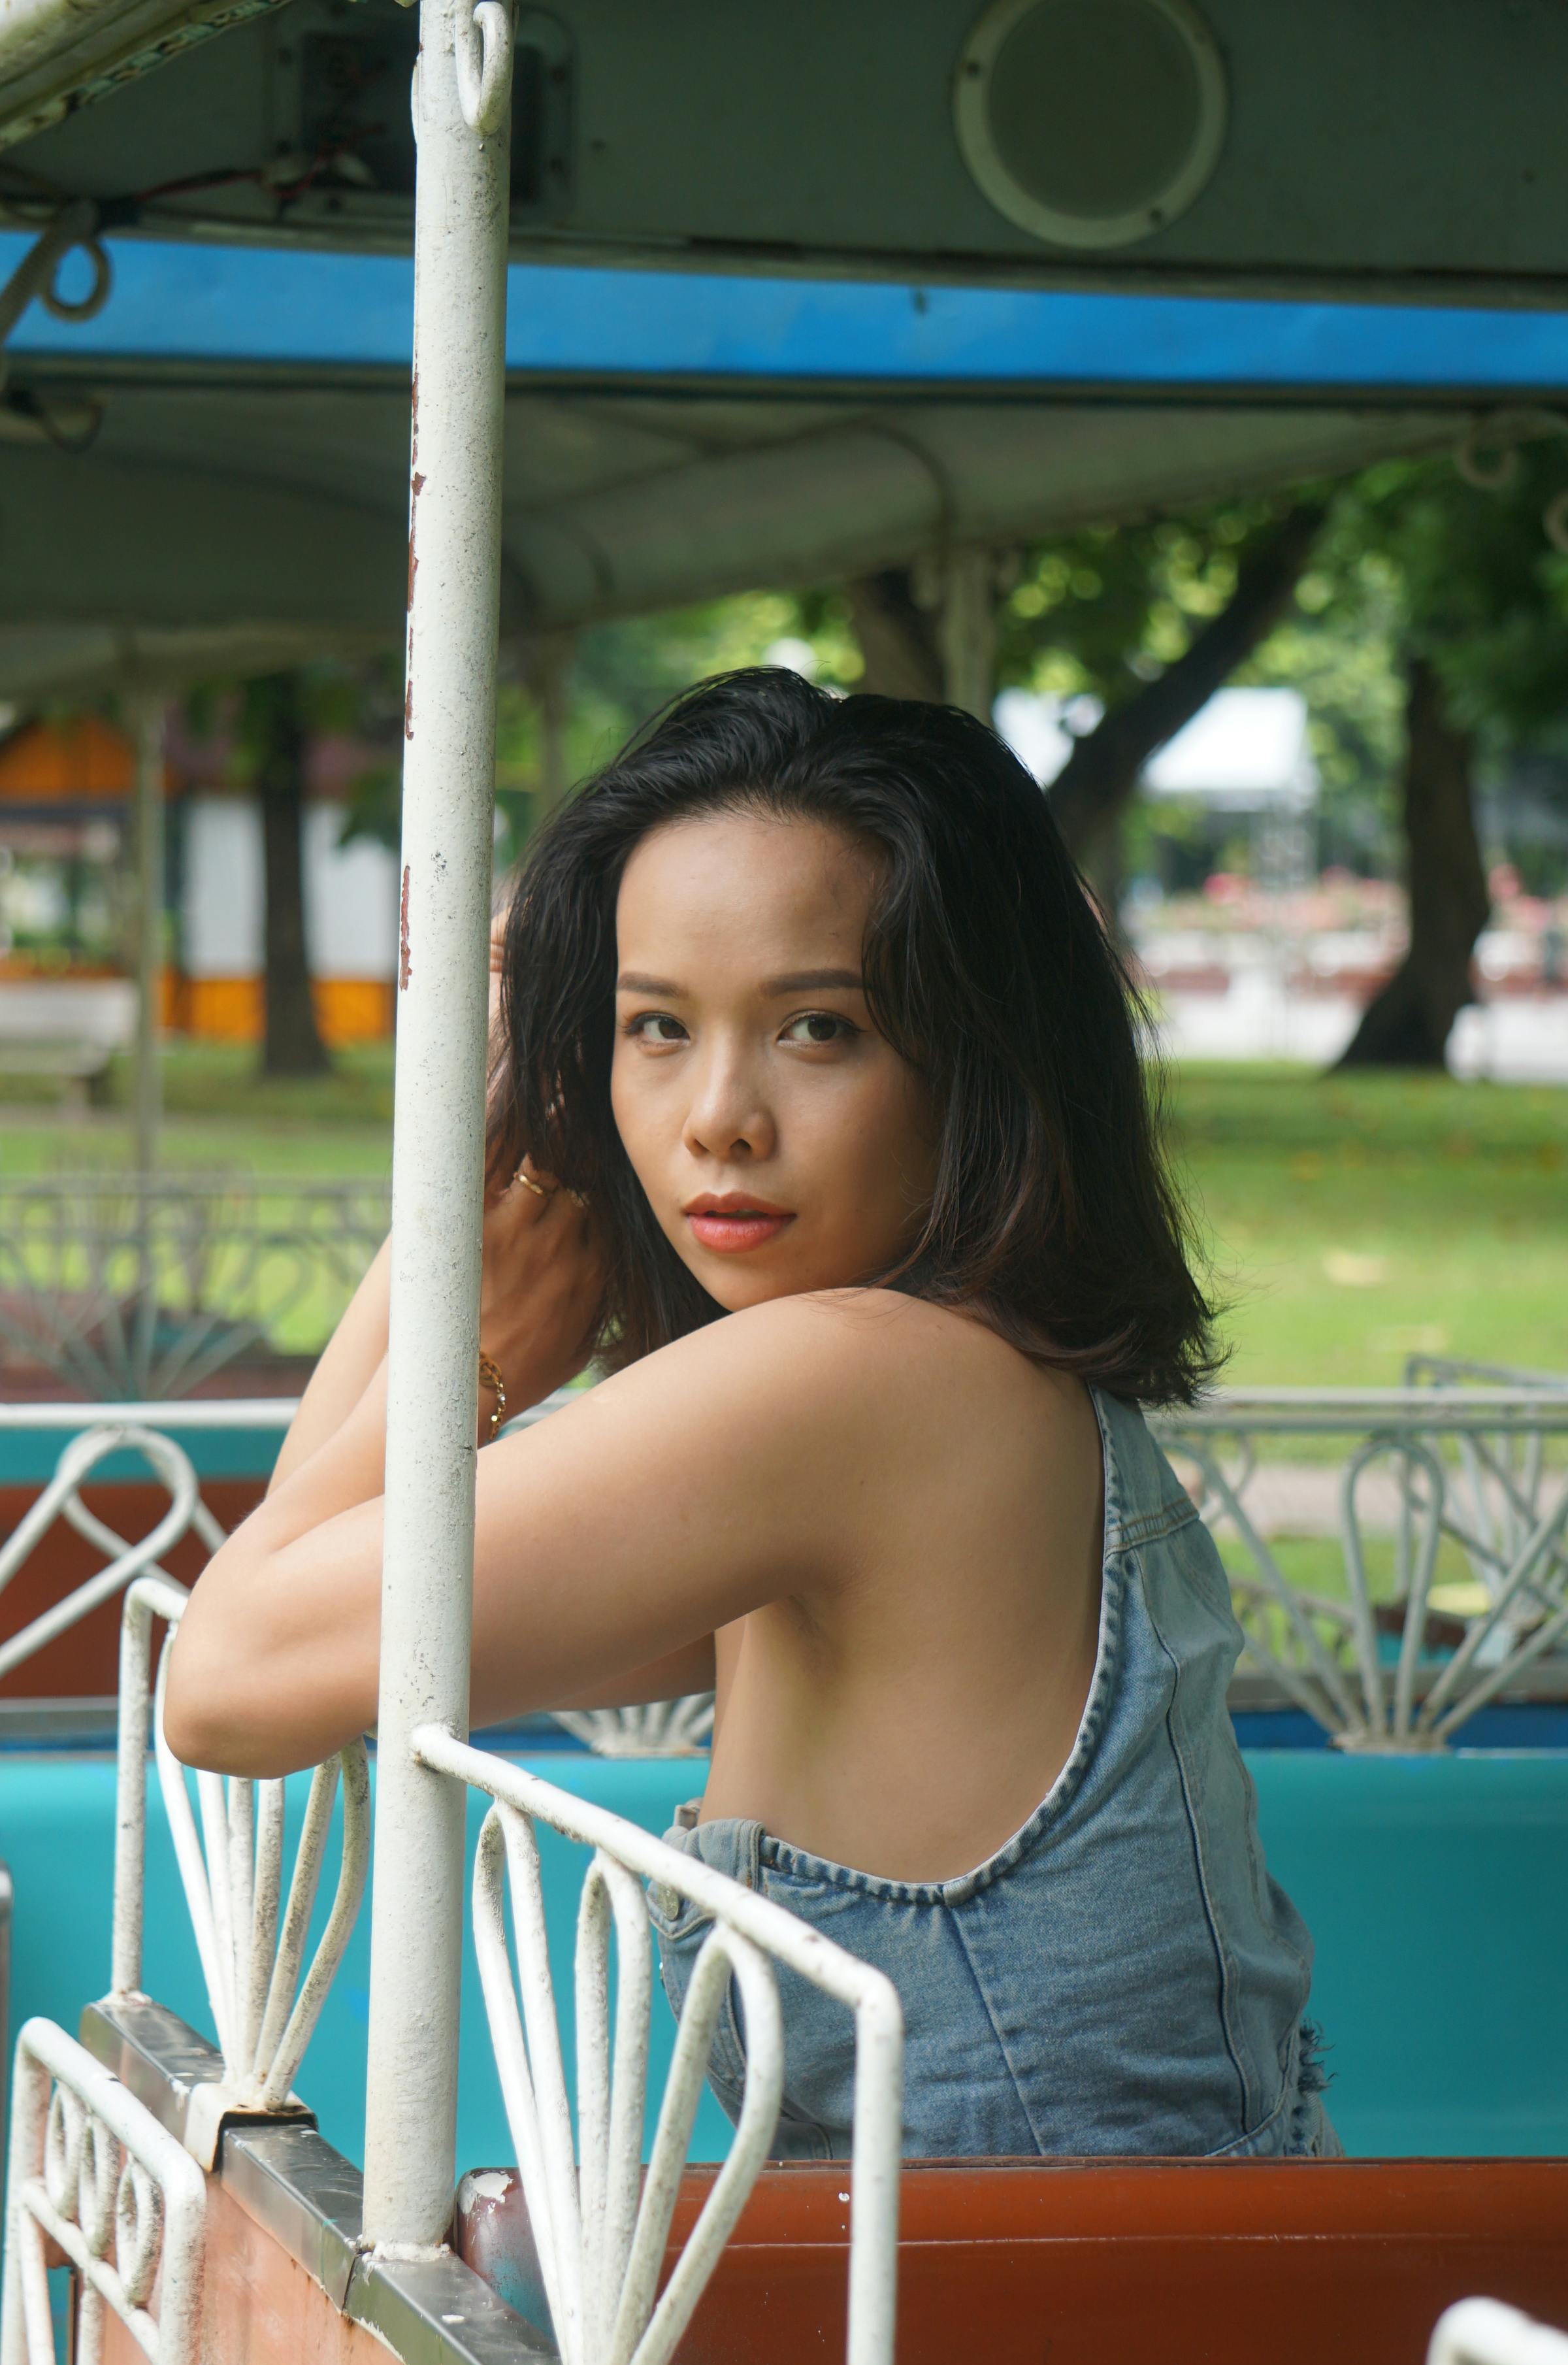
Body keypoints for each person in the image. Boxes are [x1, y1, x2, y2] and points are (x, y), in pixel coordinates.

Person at [167, 669, 1337, 2162]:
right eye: (655, 1026)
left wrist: (474, 1351)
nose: (717, 1112)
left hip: (1061, 2359)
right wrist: (472, 1203)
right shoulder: (958, 1388)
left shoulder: (864, 1387)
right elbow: (310, 1602)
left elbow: (235, 1674)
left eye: (819, 1028)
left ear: (979, 1054)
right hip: (1045, 2334)